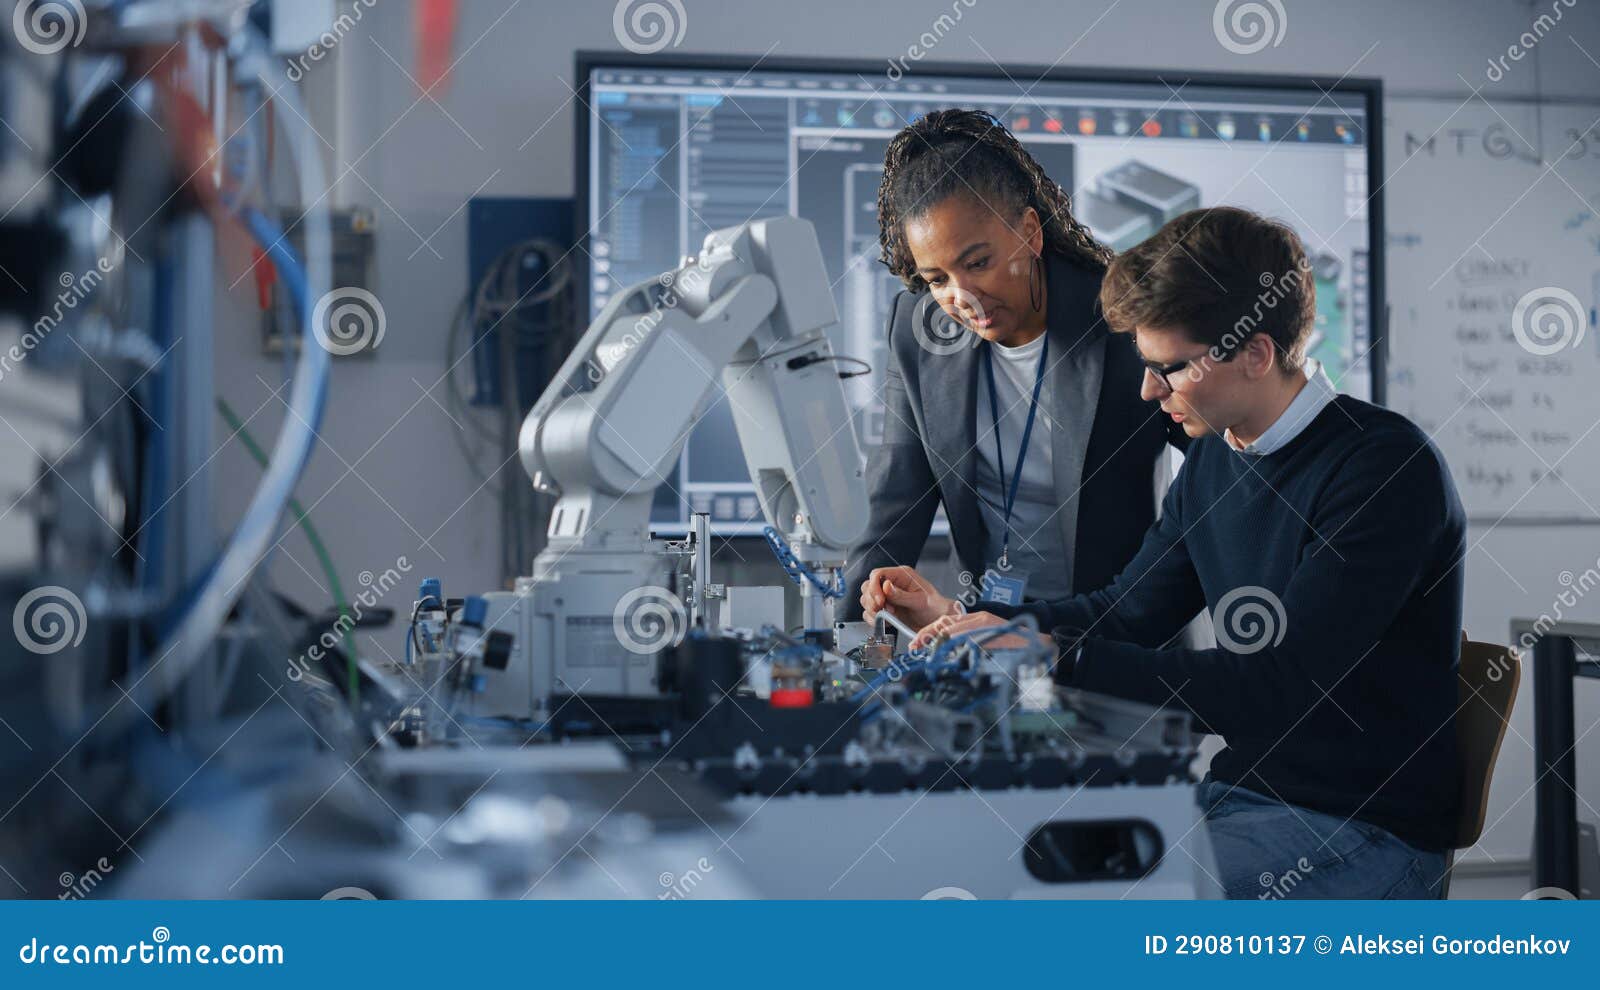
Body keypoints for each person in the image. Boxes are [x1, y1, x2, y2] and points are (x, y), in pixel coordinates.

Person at [865, 206, 1466, 900]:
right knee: (996, 872)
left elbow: (1284, 688)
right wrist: (989, 625)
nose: (1149, 390)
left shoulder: (1382, 470)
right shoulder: (1215, 459)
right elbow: (1127, 610)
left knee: (1079, 906)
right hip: (1241, 799)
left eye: (1168, 369)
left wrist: (1060, 656)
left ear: (1255, 353)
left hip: (1365, 829)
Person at [841, 109, 1181, 624]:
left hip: (1112, 630)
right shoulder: (920, 329)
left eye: (978, 263)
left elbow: (1219, 471)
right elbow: (894, 508)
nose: (963, 297)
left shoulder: (1123, 320)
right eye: (936, 279)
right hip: (976, 629)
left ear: (1029, 232)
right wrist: (846, 656)